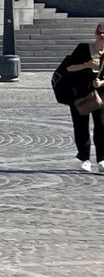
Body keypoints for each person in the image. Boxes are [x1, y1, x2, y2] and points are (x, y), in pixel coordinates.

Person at [56, 24, 104, 173]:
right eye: (100, 33)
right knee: (81, 126)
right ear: (95, 34)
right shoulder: (83, 48)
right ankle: (85, 159)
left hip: (100, 95)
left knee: (102, 126)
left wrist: (102, 82)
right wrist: (86, 65)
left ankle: (102, 159)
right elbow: (68, 68)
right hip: (80, 94)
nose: (102, 36)